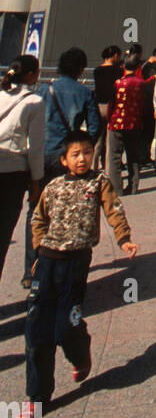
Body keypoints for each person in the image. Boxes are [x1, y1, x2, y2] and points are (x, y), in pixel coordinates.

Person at [21, 129, 138, 418]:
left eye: (87, 152)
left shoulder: (99, 183)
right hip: (47, 261)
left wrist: (123, 238)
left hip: (76, 263)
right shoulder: (54, 186)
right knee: (36, 328)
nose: (82, 158)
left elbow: (114, 210)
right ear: (64, 160)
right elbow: (38, 220)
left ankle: (80, 347)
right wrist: (36, 256)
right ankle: (37, 397)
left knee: (66, 326)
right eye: (75, 154)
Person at [24, 48, 100, 286]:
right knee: (67, 210)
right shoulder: (85, 93)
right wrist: (79, 154)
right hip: (63, 158)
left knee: (37, 211)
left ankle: (31, 269)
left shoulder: (44, 90)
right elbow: (95, 128)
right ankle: (60, 268)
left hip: (39, 156)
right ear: (80, 69)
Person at [0, 56, 44, 284]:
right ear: (30, 75)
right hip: (13, 174)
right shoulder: (34, 102)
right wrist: (36, 181)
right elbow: (35, 147)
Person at [106, 50, 146, 196]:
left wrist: (109, 120)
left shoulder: (118, 83)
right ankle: (134, 186)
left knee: (115, 156)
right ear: (137, 67)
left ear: (123, 66)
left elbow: (112, 103)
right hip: (135, 123)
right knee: (133, 156)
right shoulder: (141, 83)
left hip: (117, 122)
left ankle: (117, 188)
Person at [92, 46, 122, 170]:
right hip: (112, 107)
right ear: (115, 55)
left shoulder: (97, 70)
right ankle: (109, 170)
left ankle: (93, 168)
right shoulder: (118, 71)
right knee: (110, 142)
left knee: (98, 141)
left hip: (99, 106)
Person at [139, 47, 156, 168]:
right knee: (146, 131)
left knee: (148, 131)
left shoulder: (147, 66)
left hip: (148, 102)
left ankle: (145, 156)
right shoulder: (147, 67)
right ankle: (143, 157)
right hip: (147, 102)